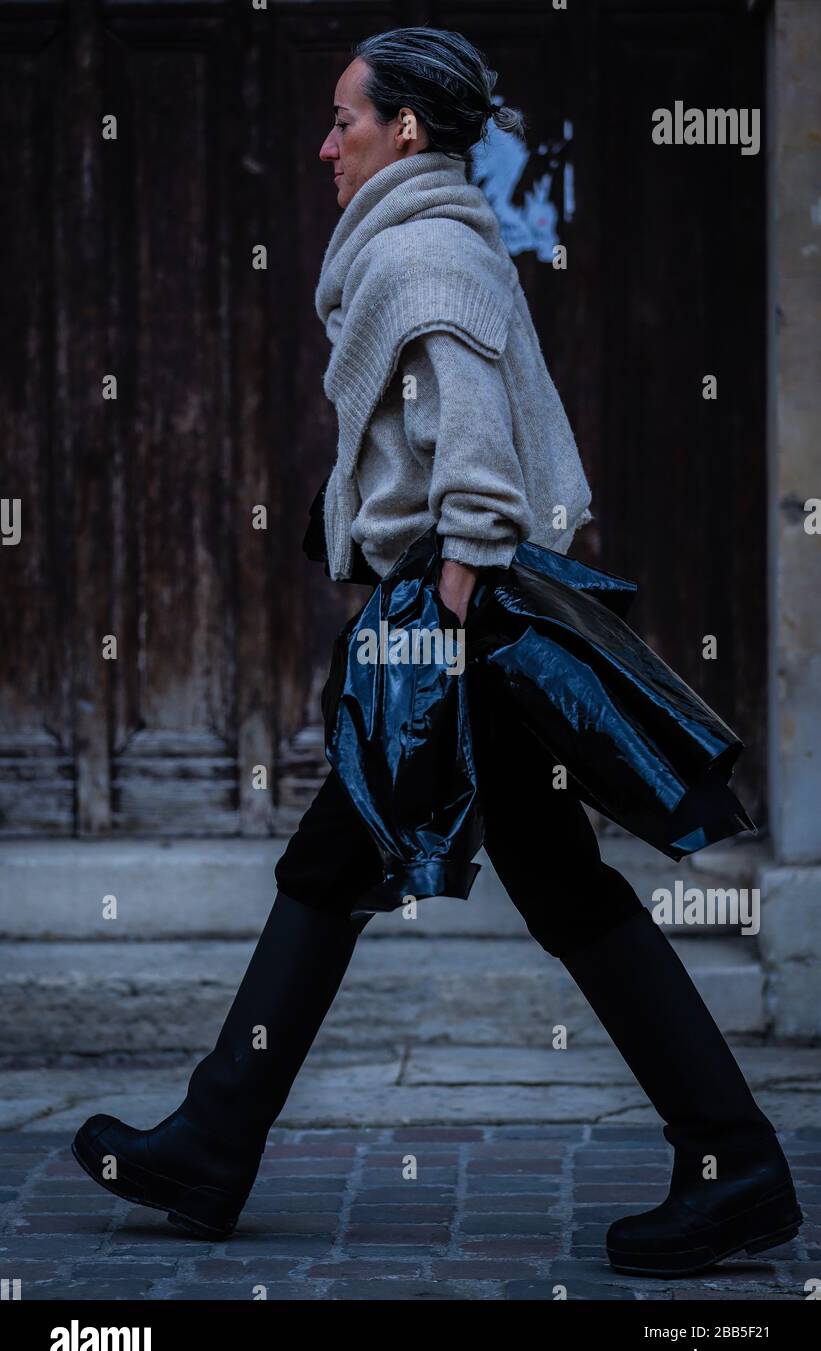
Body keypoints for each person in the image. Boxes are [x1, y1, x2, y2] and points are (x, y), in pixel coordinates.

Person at [72, 26, 802, 1279]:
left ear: (405, 128)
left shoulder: (421, 254)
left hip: (455, 625)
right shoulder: (438, 242)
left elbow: (475, 456)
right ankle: (728, 1158)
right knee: (523, 889)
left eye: (343, 119)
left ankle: (215, 1139)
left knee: (338, 873)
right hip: (453, 620)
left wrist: (448, 603)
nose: (324, 143)